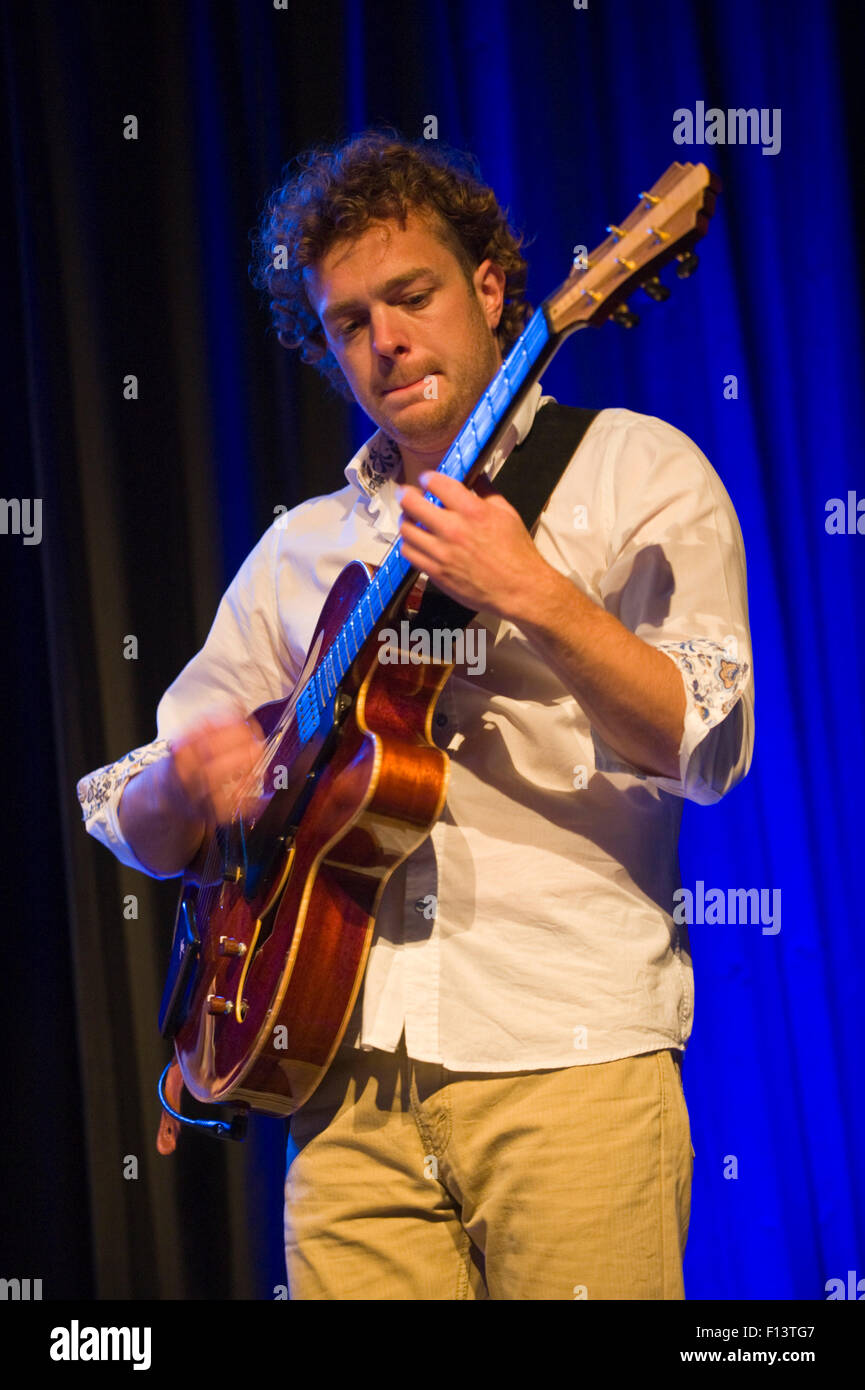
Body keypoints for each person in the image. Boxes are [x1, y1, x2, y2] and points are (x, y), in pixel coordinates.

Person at [77, 130, 754, 1300]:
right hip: (340, 1092)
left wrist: (530, 593)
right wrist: (189, 782)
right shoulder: (301, 548)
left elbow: (706, 743)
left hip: (570, 1060)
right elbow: (136, 811)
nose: (384, 340)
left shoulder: (635, 472)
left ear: (491, 289)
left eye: (411, 295)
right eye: (348, 322)